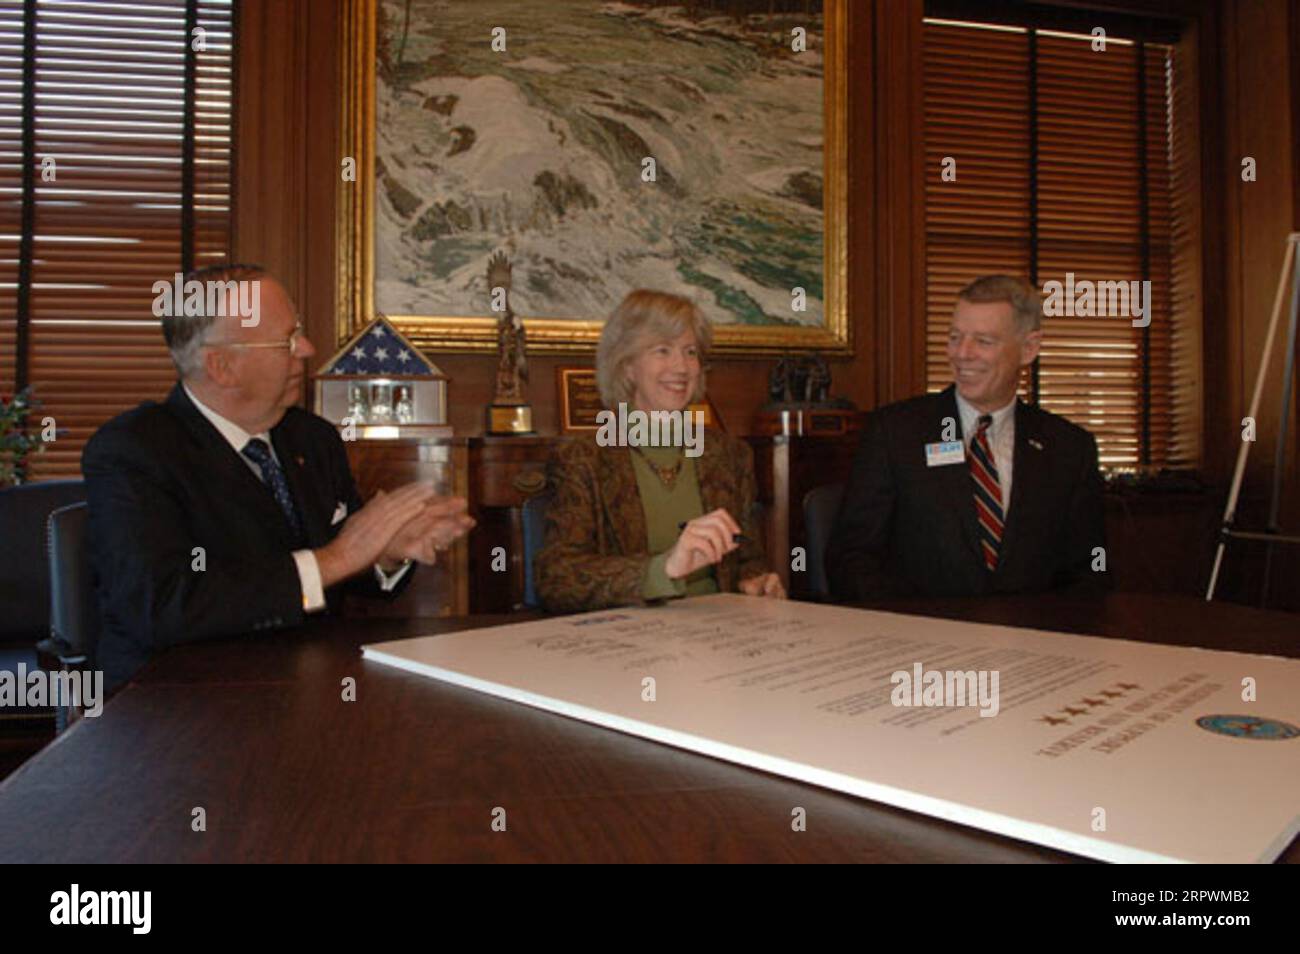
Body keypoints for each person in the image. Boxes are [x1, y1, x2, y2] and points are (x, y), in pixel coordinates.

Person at [83, 264, 474, 689]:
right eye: (286, 340)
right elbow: (159, 607)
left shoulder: (312, 438)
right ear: (222, 366)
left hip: (307, 683)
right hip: (173, 706)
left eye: (299, 331)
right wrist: (337, 558)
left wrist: (385, 553)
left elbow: (344, 572)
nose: (306, 349)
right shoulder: (134, 451)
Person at [827, 275, 1107, 600]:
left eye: (983, 341)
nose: (962, 354)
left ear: (1029, 349)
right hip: (922, 639)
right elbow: (850, 560)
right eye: (955, 337)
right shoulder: (894, 434)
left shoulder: (1069, 449)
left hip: (1031, 640)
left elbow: (1091, 571)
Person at [535, 290, 784, 612]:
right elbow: (557, 578)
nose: (681, 366)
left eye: (690, 351)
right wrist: (663, 569)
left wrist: (756, 582)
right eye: (662, 350)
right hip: (630, 642)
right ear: (627, 367)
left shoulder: (729, 454)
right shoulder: (584, 458)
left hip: (722, 636)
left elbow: (746, 557)